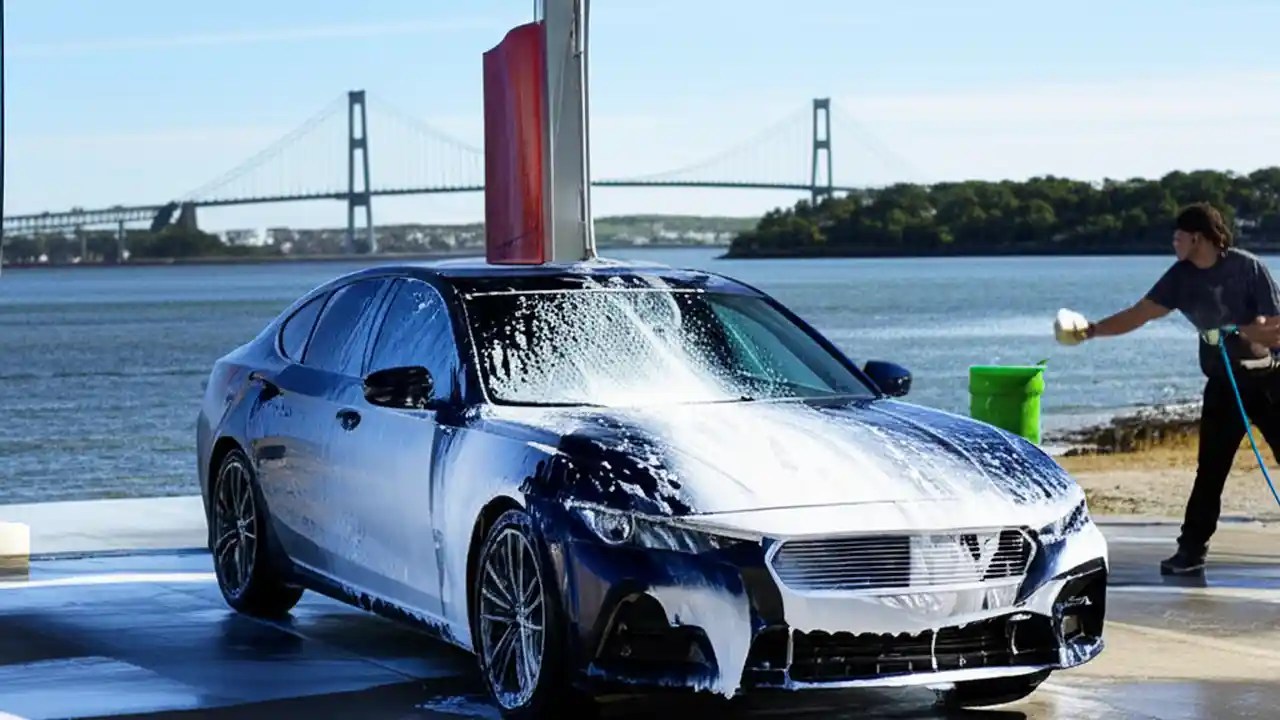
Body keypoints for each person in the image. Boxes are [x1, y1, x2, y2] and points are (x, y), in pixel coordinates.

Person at [1060, 202, 1280, 575]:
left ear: (1198, 238)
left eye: (1178, 236)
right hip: (1224, 386)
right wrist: (1093, 330)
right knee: (1210, 472)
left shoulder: (1247, 268)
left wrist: (1244, 330)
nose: (1173, 242)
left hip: (1270, 381)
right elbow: (1139, 313)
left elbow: (1275, 327)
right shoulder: (1179, 278)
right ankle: (1190, 552)